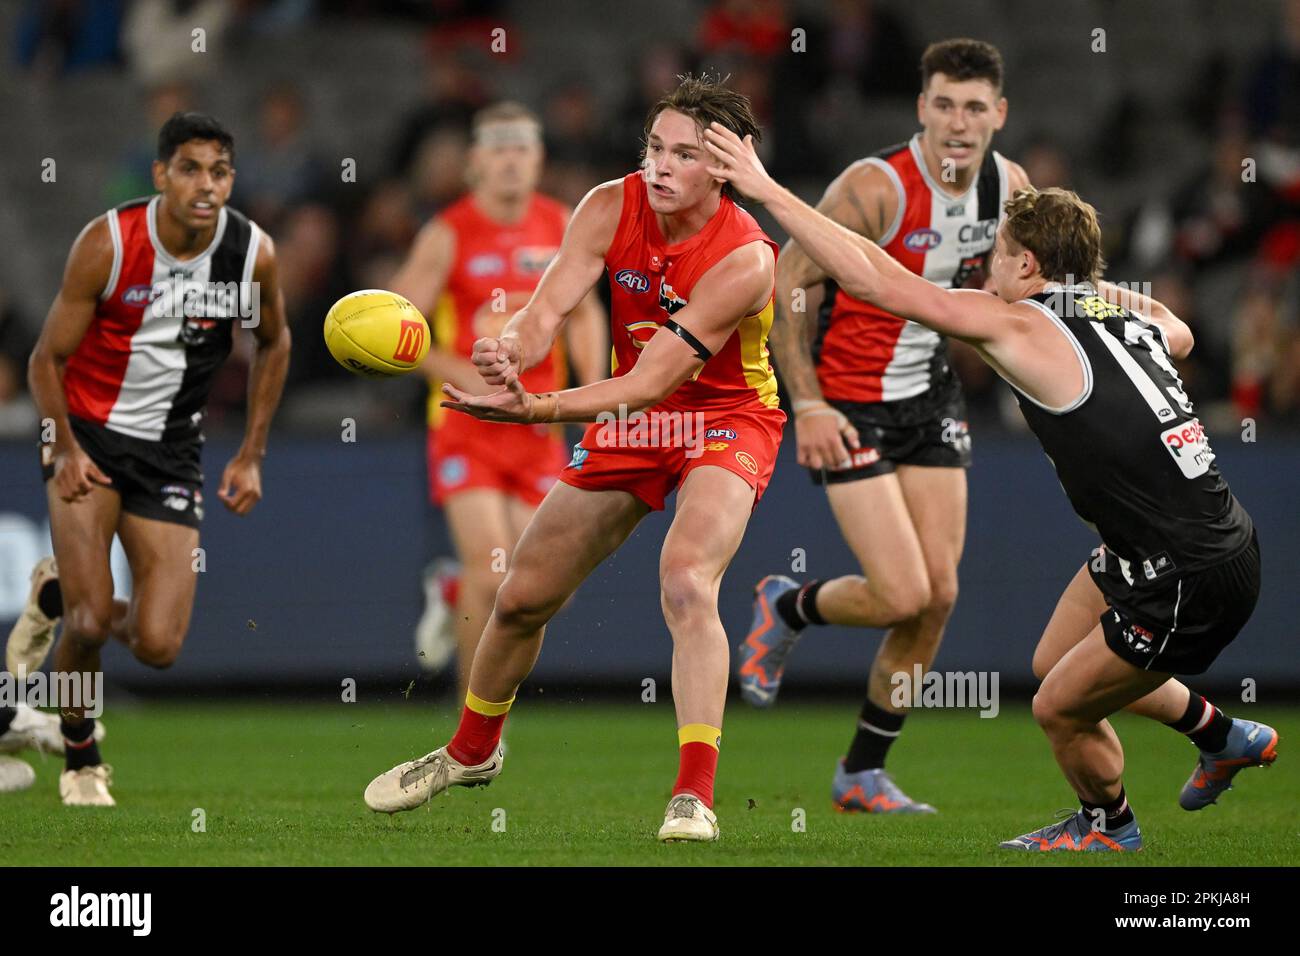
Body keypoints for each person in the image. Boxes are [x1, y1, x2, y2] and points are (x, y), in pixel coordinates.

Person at [703, 125, 1276, 851]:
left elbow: (875, 280)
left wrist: (765, 189)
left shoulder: (1015, 325)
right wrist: (1088, 288)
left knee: (1058, 707)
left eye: (998, 256)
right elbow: (1181, 331)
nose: (985, 269)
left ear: (1029, 263)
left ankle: (1108, 828)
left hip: (1185, 573)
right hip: (1191, 545)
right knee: (1054, 662)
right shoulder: (1129, 315)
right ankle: (1221, 736)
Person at [364, 76, 784, 843]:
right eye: (654, 146)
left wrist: (540, 409)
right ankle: (471, 751)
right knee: (519, 597)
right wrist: (508, 352)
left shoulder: (747, 258)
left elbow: (657, 377)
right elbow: (547, 309)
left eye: (682, 155)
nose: (658, 166)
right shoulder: (606, 204)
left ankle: (694, 795)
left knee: (687, 580)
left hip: (725, 420)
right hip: (632, 417)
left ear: (722, 168)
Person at [737, 38, 1029, 814]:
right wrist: (807, 403)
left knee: (938, 597)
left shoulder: (1011, 188)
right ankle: (787, 606)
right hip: (847, 399)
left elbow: (1026, 299)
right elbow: (789, 287)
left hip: (929, 400)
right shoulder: (876, 189)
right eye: (943, 105)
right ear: (920, 109)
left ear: (999, 114)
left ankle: (861, 773)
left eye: (974, 107)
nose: (959, 123)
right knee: (902, 592)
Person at [1, 112, 291, 807]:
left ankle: (57, 592)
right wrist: (63, 447)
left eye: (219, 171)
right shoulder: (108, 244)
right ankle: (81, 756)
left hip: (170, 453)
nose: (207, 185)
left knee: (159, 644)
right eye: (190, 168)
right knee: (92, 623)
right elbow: (46, 358)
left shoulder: (251, 254)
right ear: (161, 175)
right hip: (88, 435)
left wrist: (251, 452)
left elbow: (274, 344)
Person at [389, 101, 606, 696]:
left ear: (539, 160)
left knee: (547, 586)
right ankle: (474, 727)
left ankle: (449, 590)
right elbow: (394, 330)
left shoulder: (564, 223)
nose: (511, 159)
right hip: (465, 423)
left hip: (537, 422)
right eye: (499, 147)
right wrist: (458, 369)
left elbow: (585, 313)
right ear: (474, 162)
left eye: (523, 147)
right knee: (493, 573)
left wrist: (593, 389)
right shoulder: (447, 233)